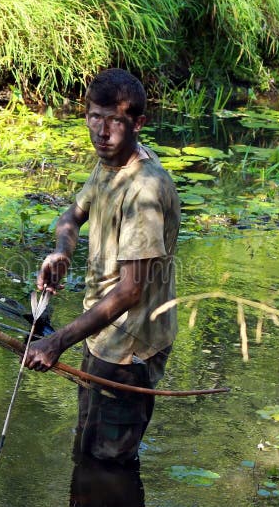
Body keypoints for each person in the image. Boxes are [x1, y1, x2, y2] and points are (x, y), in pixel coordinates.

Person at [25, 68, 181, 464]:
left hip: (131, 347)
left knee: (110, 464)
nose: (102, 130)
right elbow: (72, 215)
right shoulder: (108, 162)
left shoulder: (145, 188)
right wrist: (62, 251)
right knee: (87, 449)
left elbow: (131, 290)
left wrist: (56, 341)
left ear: (138, 124)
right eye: (95, 116)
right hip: (101, 334)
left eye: (115, 120)